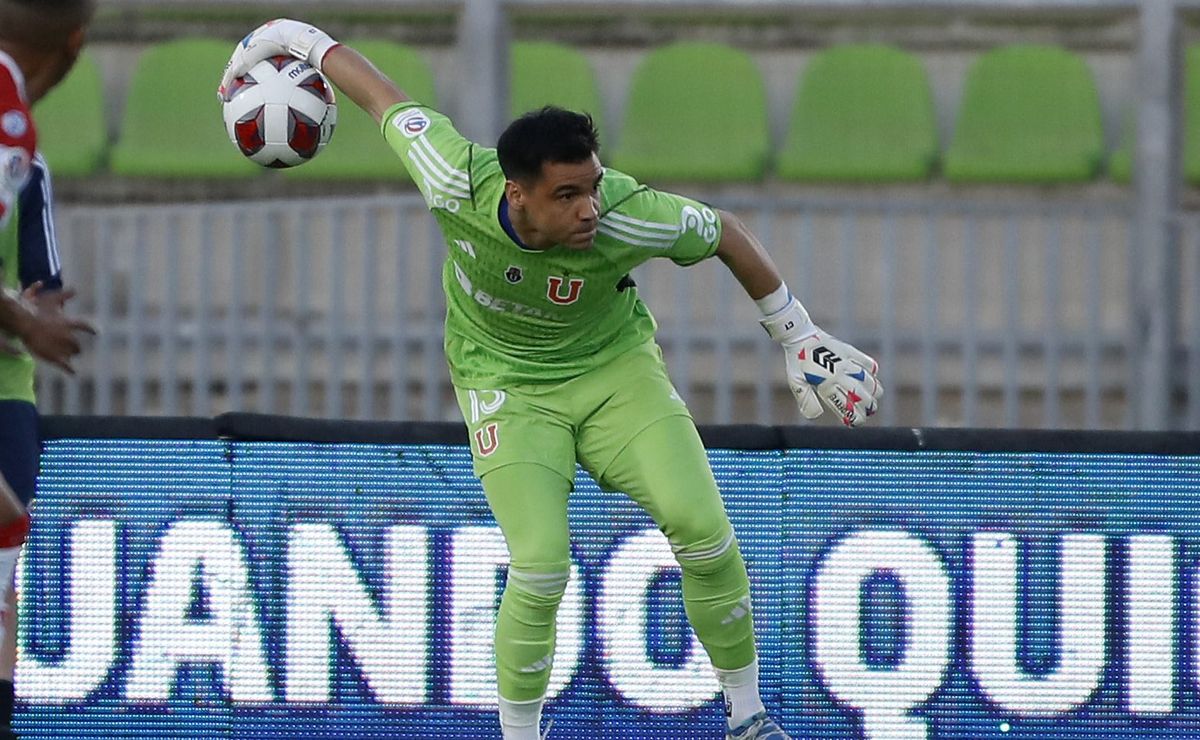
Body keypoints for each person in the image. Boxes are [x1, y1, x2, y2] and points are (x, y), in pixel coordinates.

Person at [222, 21, 883, 740]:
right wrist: (290, 36)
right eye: (568, 195)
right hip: (506, 385)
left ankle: (749, 719)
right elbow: (381, 97)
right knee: (539, 566)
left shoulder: (627, 216)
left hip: (614, 374)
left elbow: (722, 232)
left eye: (592, 187)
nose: (589, 209)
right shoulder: (451, 176)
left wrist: (797, 335)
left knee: (704, 531)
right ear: (517, 194)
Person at [0, 1, 96, 737]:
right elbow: (37, 301)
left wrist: (29, 311)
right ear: (74, 47)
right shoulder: (11, 123)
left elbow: (42, 284)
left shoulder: (24, 156)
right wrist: (25, 318)